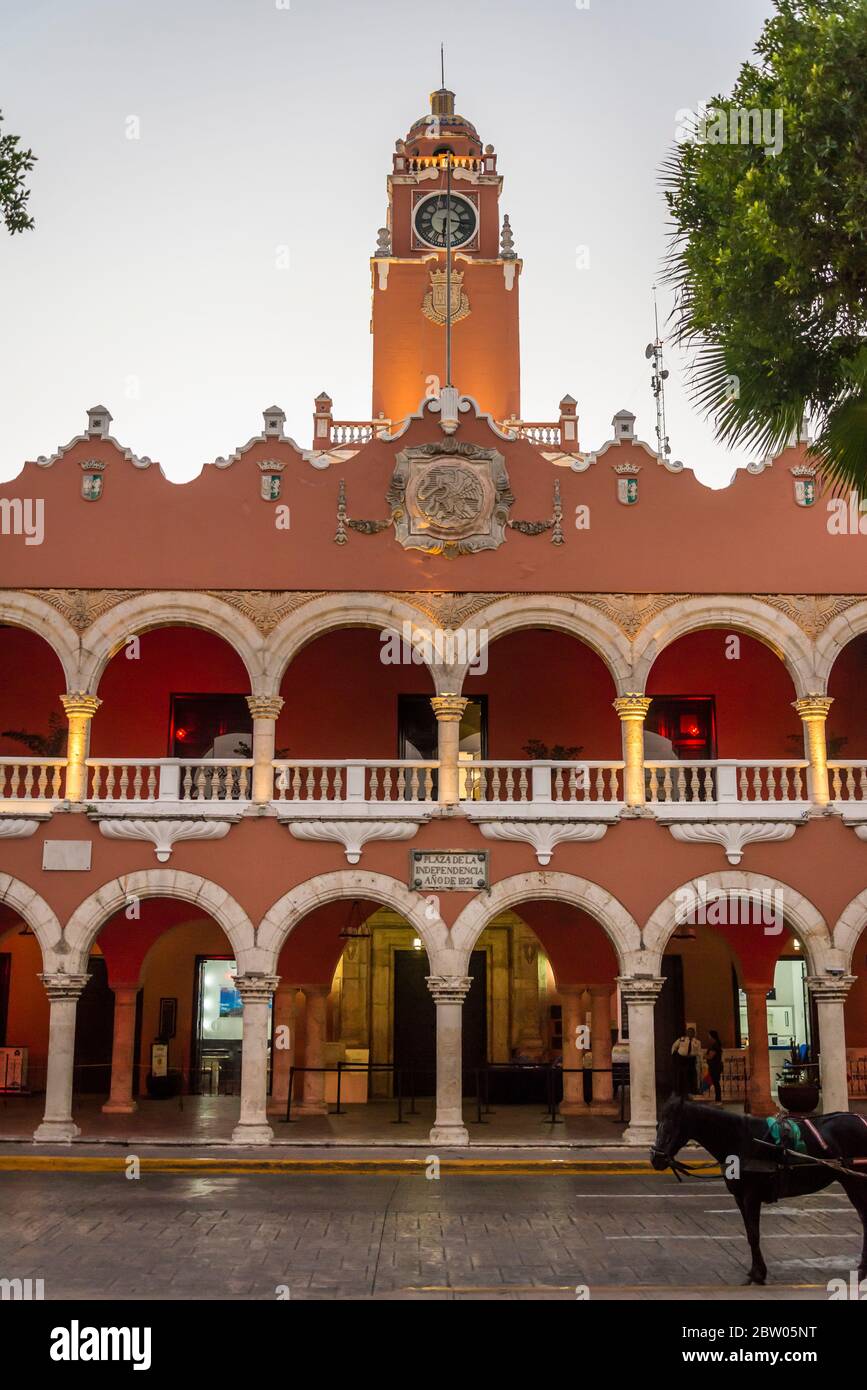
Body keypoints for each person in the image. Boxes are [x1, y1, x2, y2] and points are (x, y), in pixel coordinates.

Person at [671, 1026, 702, 1097]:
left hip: (691, 1059)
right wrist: (674, 1056)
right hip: (682, 1059)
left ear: (694, 1033)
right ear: (686, 1033)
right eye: (689, 1032)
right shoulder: (681, 1039)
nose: (690, 1033)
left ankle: (692, 1090)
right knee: (681, 1074)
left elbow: (699, 1051)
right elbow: (674, 1047)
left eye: (692, 1032)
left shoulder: (697, 1042)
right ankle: (679, 1091)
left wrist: (698, 1057)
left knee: (691, 1074)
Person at [706, 1029, 723, 1103]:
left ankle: (718, 1100)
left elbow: (710, 1056)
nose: (708, 1037)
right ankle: (717, 1099)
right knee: (716, 1083)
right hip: (715, 1066)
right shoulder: (716, 1045)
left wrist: (704, 1056)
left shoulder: (715, 1046)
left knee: (716, 1083)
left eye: (709, 1036)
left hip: (715, 1067)